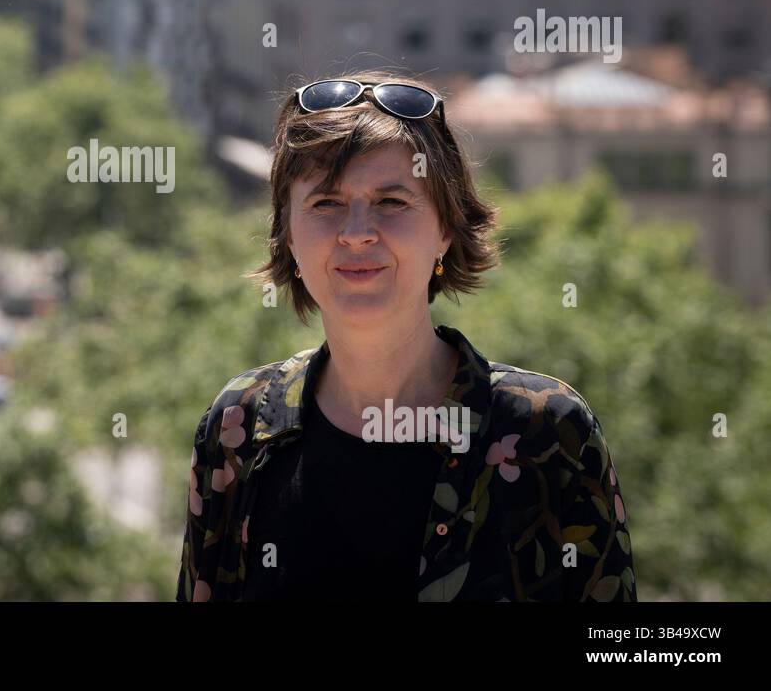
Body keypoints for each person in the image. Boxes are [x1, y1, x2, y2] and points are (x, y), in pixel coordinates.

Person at [177, 69, 636, 601]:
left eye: (391, 202)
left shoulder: (549, 434)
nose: (356, 232)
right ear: (288, 234)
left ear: (445, 228)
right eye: (325, 203)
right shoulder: (237, 429)